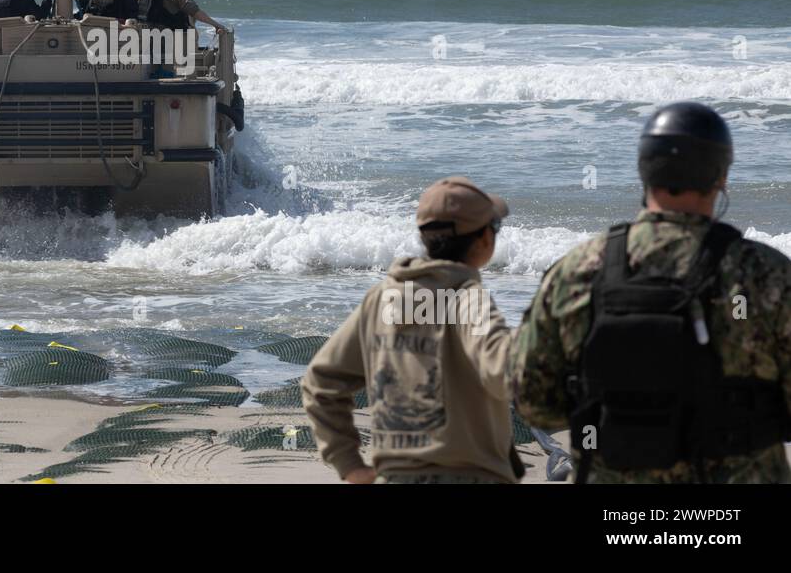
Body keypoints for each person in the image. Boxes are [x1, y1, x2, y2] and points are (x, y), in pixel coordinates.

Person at [509, 102, 791, 483]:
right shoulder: (767, 274)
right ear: (721, 176)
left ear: (644, 172)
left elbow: (532, 401)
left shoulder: (577, 271)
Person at [301, 176, 520, 483]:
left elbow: (321, 381)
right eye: (495, 228)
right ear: (484, 239)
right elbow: (502, 370)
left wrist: (348, 463)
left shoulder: (381, 299)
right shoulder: (468, 298)